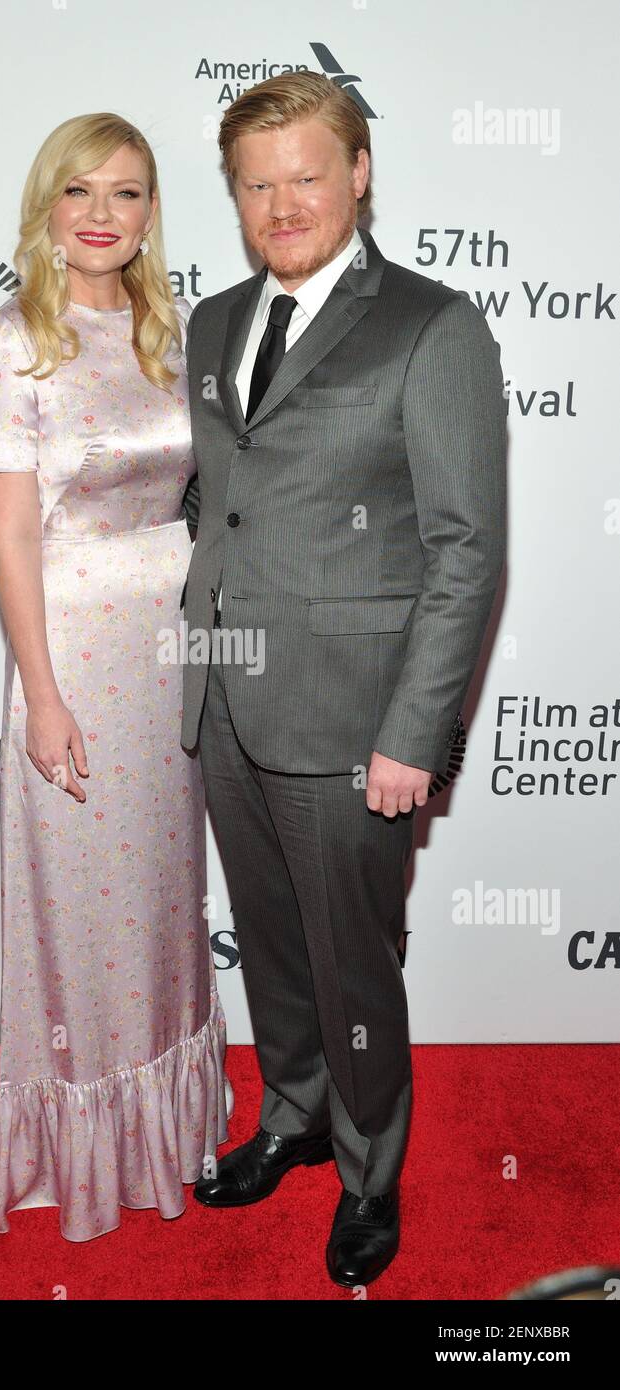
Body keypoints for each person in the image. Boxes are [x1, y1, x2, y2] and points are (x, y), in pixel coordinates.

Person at [179, 72, 507, 1287]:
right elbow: (222, 501)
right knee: (269, 939)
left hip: (353, 716)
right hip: (222, 691)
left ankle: (369, 1172)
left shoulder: (431, 324)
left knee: (352, 959)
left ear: (359, 174)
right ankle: (295, 1114)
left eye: (307, 176)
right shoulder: (213, 321)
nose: (283, 204)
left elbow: (465, 548)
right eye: (256, 184)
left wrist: (415, 730)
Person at [0, 113, 228, 1244]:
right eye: (81, 191)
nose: (103, 214)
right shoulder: (4, 344)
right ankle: (87, 1147)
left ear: (152, 211)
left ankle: (171, 1129)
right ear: (47, 207)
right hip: (71, 652)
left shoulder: (176, 335)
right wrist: (44, 694)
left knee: (163, 901)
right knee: (78, 905)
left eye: (126, 192)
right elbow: (14, 539)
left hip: (173, 656)